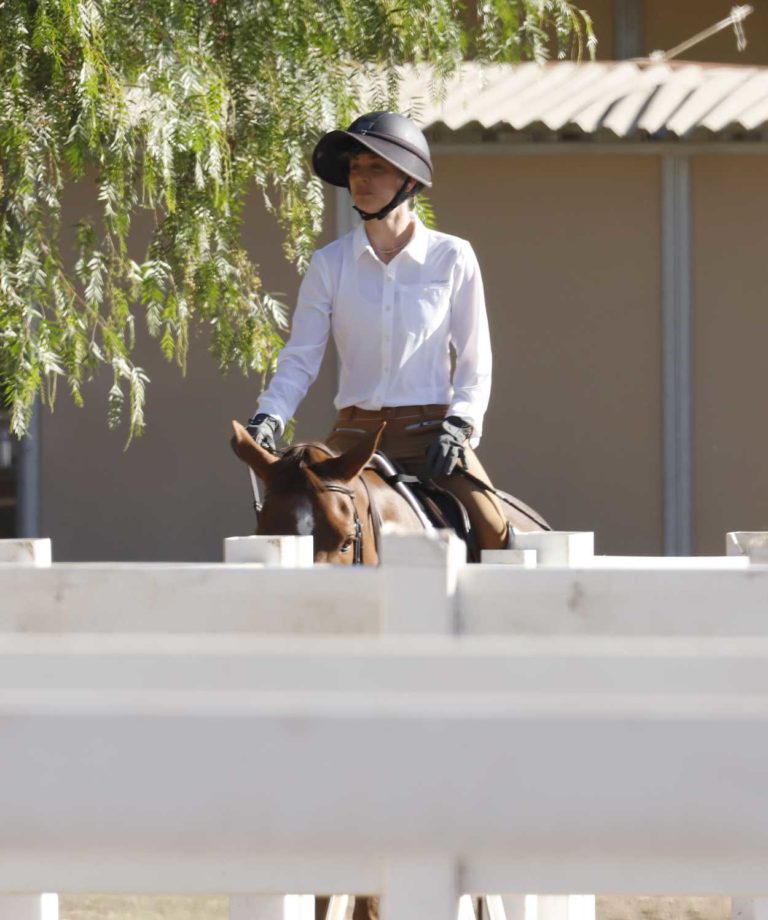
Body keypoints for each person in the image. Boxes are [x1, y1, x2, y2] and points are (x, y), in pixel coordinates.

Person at [246, 111, 511, 552]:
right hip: (351, 436)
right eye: (354, 169)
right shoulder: (329, 264)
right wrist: (268, 414)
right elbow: (301, 357)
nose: (360, 180)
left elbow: (474, 359)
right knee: (287, 516)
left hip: (431, 435)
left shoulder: (453, 257)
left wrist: (460, 425)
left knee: (493, 529)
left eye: (376, 168)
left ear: (408, 182)